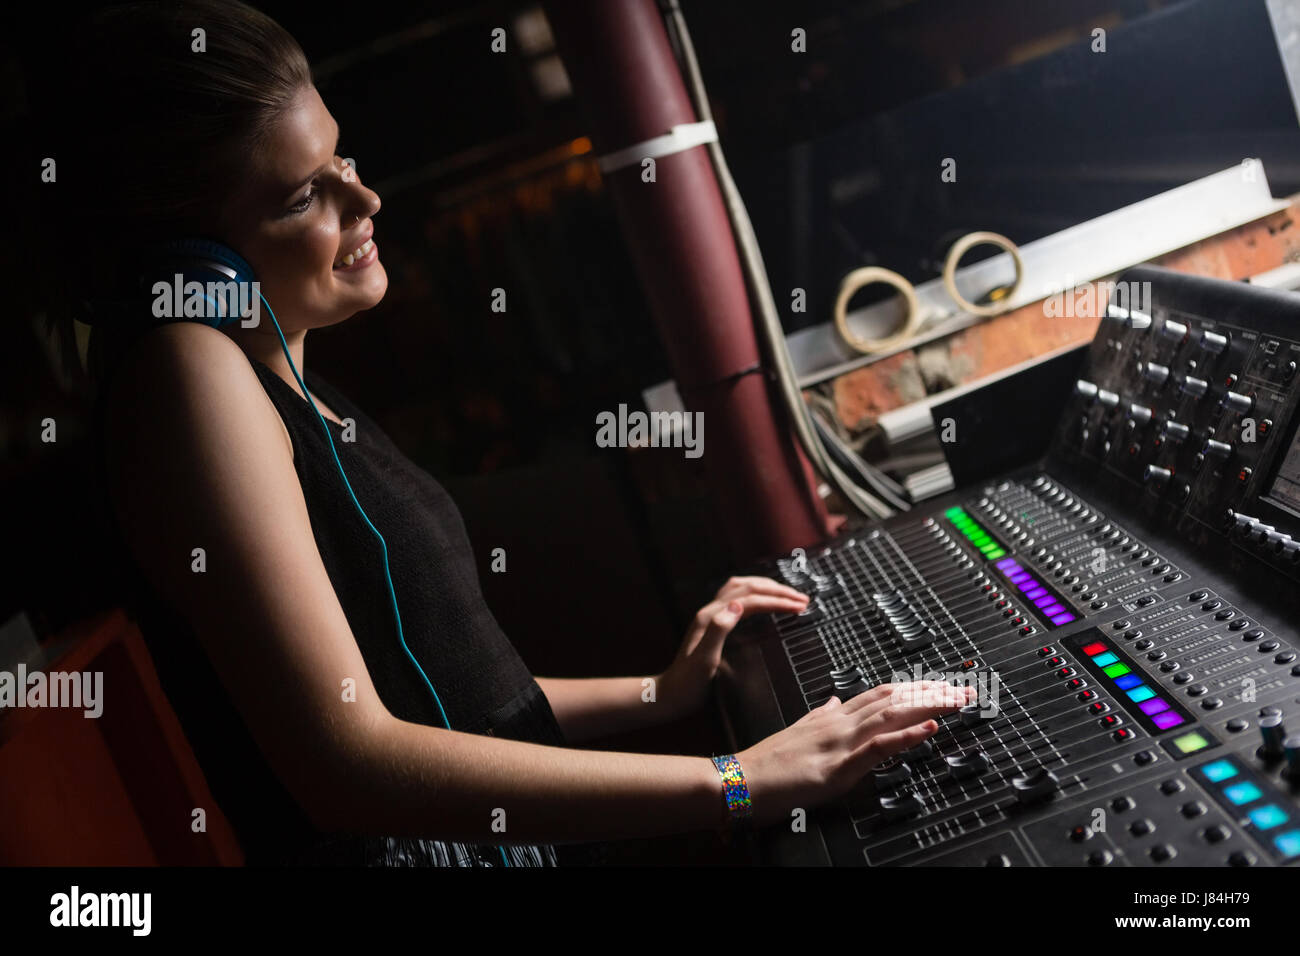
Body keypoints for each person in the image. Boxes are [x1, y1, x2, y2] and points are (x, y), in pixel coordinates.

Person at [36, 0, 972, 866]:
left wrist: (663, 692)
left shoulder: (281, 379)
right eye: (299, 198)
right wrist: (743, 780)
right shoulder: (186, 373)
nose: (363, 203)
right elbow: (348, 762)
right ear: (190, 263)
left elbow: (465, 705)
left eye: (343, 160)